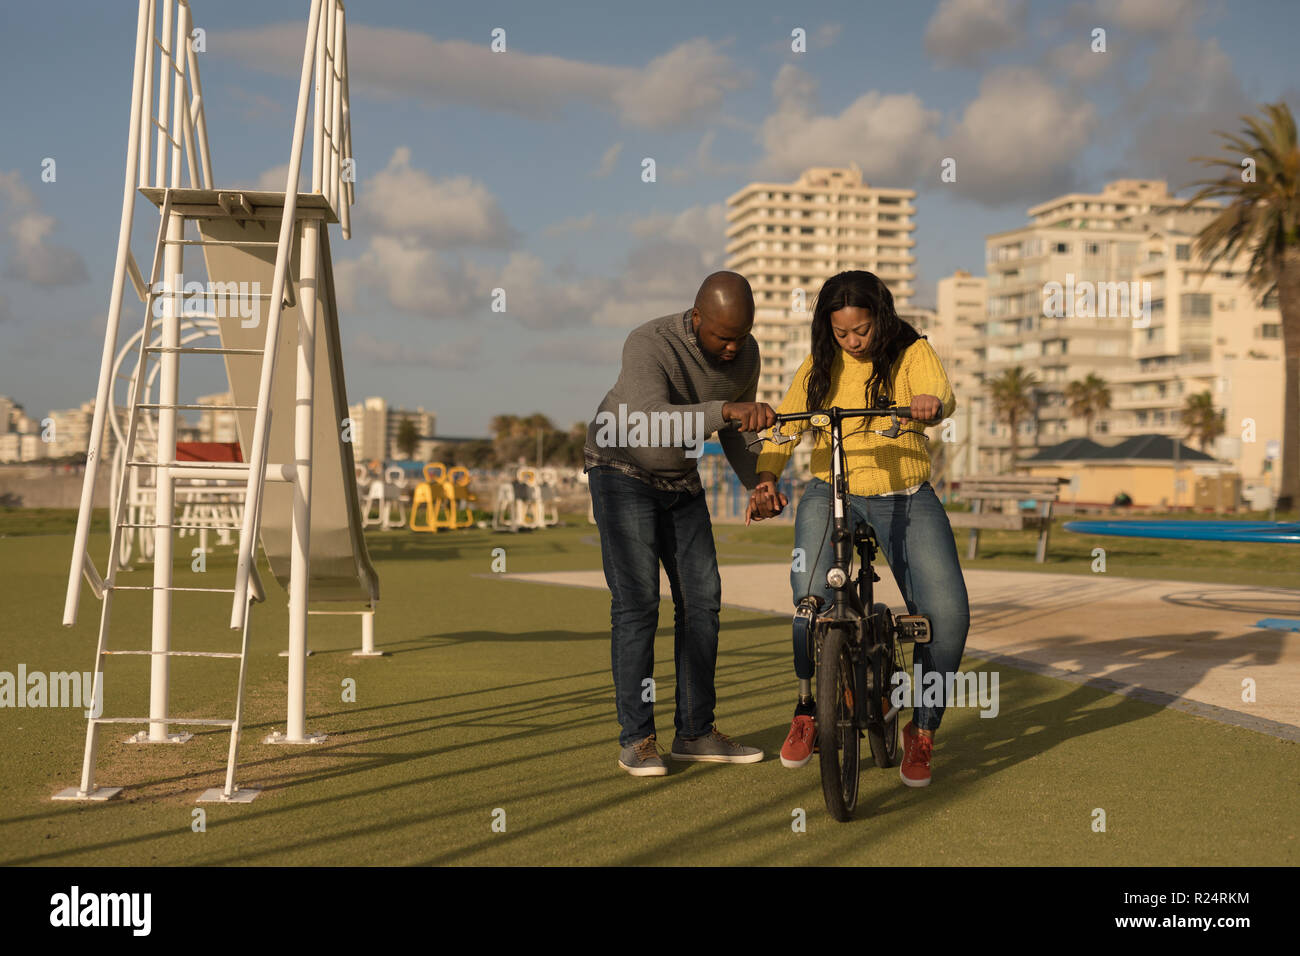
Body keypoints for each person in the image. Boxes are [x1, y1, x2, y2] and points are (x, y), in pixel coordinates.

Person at [746, 270, 970, 788]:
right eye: (843, 333)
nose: (853, 342)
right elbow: (786, 425)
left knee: (948, 615)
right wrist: (765, 480)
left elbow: (941, 394)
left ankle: (923, 728)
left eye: (862, 331)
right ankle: (810, 708)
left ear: (880, 318)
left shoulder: (911, 351)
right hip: (832, 488)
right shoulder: (820, 364)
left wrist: (929, 405)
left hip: (904, 494)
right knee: (810, 598)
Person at [584, 271, 777, 777]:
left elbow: (735, 433)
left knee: (703, 599)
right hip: (621, 468)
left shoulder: (747, 353)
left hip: (679, 477)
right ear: (697, 319)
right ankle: (638, 740)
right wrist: (726, 409)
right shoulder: (648, 343)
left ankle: (694, 732)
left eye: (741, 336)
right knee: (638, 602)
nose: (734, 348)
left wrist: (759, 479)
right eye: (723, 337)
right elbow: (651, 417)